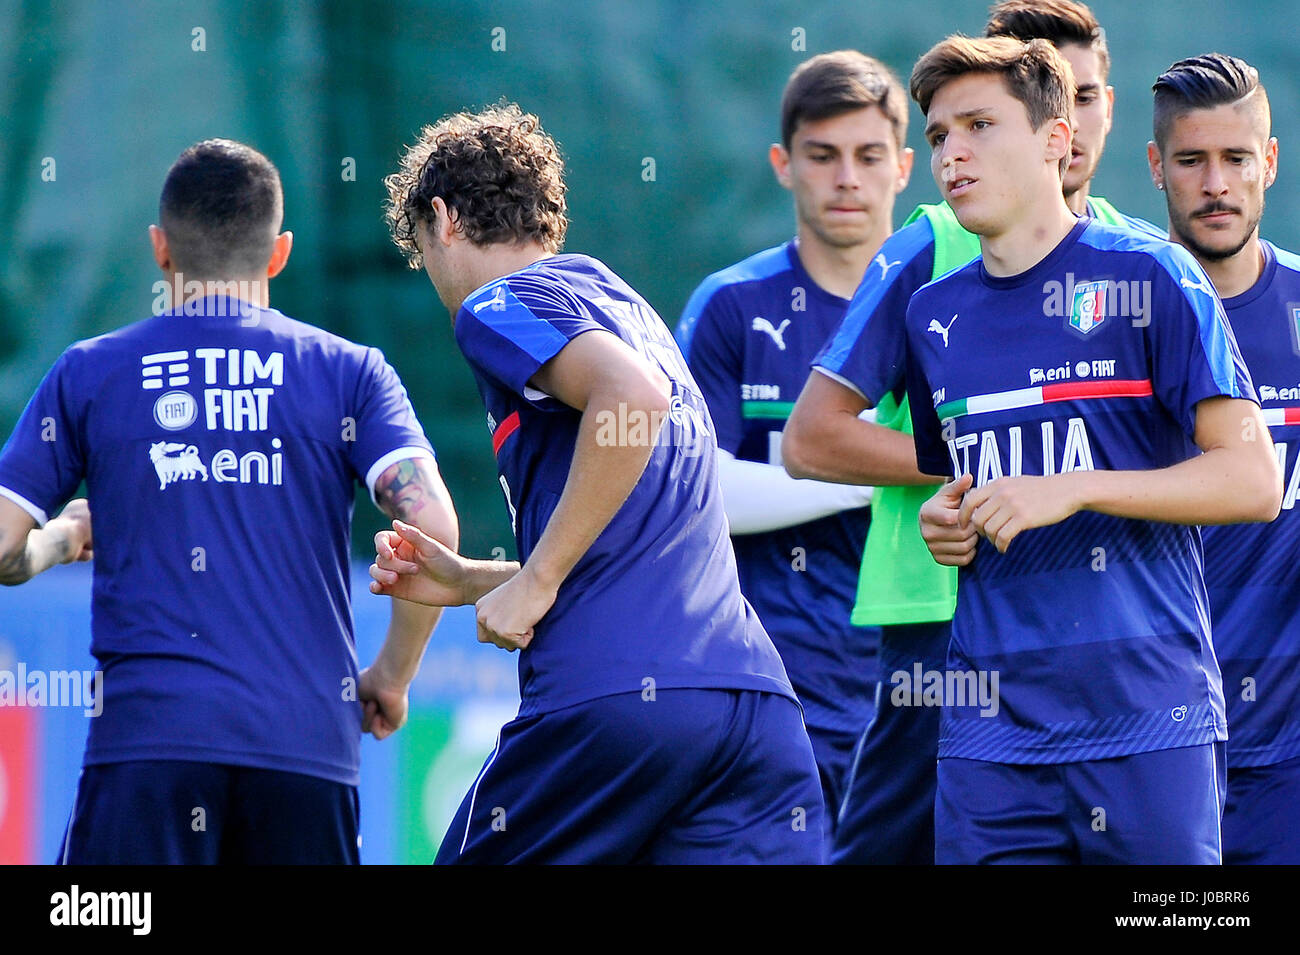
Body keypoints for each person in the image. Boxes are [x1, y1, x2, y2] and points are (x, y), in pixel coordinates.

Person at [376, 102, 824, 864]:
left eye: (423, 250)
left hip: (615, 699)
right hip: (752, 711)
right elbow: (640, 532)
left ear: (444, 220)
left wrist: (540, 577)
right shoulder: (626, 307)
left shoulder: (499, 303)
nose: (435, 279)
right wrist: (476, 578)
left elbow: (632, 401)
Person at [0, 139, 457, 864]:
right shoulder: (352, 372)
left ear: (160, 250)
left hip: (147, 748)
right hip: (306, 748)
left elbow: (1, 544)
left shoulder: (89, 371)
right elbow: (433, 525)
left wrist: (61, 538)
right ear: (278, 253)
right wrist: (389, 677)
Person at [783, 0, 1156, 865]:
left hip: (1104, 631)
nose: (1075, 120)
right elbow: (811, 441)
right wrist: (985, 465)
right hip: (944, 616)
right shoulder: (933, 246)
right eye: (966, 125)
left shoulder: (1145, 264)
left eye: (1091, 95)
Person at [903, 34, 1279, 864]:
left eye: (977, 126)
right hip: (988, 738)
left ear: (1054, 140)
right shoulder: (930, 314)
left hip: (1150, 723)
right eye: (937, 136)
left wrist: (1076, 486)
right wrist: (946, 518)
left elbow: (1252, 478)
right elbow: (963, 484)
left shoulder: (1153, 274)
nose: (951, 153)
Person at [674, 50, 912, 842]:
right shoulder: (732, 307)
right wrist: (860, 465)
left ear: (904, 166)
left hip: (922, 683)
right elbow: (696, 489)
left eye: (869, 156)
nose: (847, 177)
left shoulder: (953, 300)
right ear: (784, 164)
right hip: (767, 684)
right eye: (822, 155)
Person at [1148, 53, 1300, 864]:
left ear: (1268, 163)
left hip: (1288, 756)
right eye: (1192, 160)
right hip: (1143, 744)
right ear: (1155, 167)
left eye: (1237, 158)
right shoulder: (1111, 319)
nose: (1216, 183)